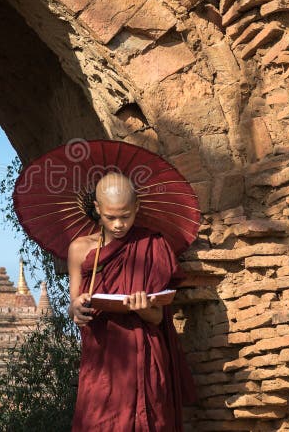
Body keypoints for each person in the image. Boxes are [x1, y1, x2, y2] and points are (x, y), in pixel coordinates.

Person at [67, 172, 196, 431]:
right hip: (101, 356)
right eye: (110, 217)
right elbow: (73, 307)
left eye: (125, 216)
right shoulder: (80, 249)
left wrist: (144, 308)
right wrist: (77, 308)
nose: (118, 225)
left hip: (143, 355)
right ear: (97, 208)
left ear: (137, 206)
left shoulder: (152, 244)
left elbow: (158, 317)